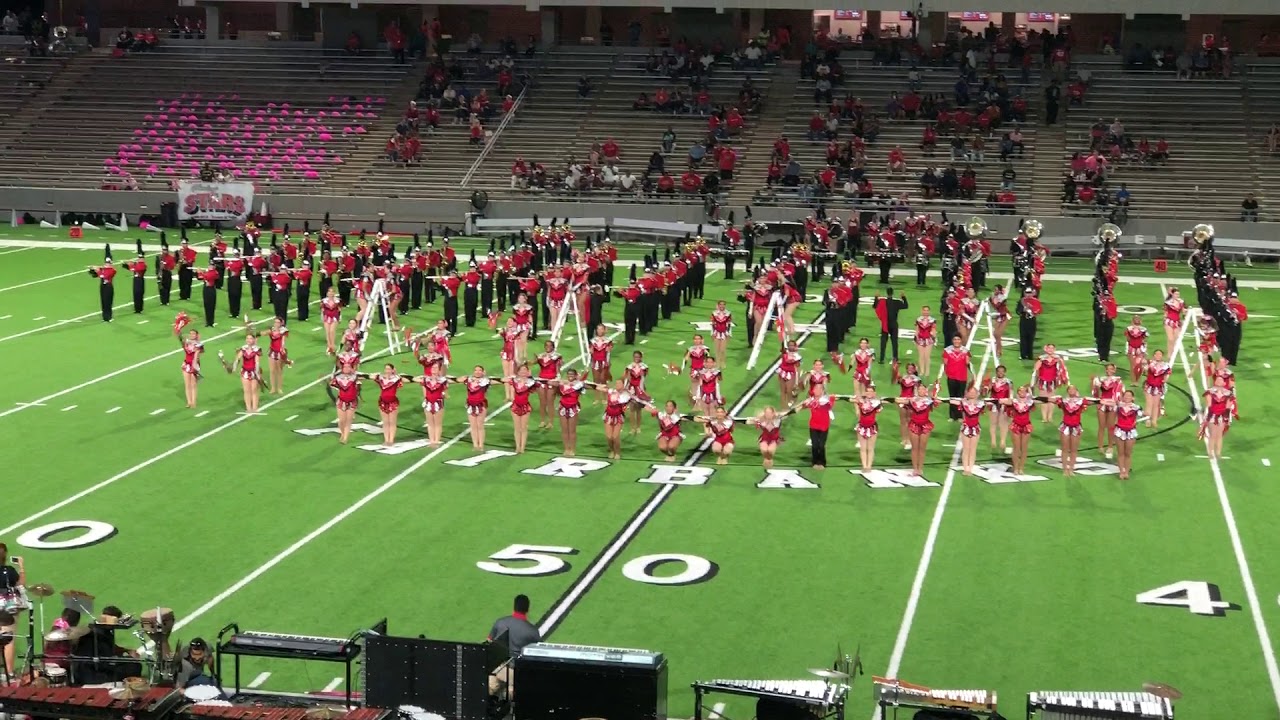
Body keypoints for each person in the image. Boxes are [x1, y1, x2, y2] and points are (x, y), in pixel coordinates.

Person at [487, 594, 541, 700]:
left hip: (498, 668)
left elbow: (489, 642)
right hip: (515, 672)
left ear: (514, 606)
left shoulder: (500, 622)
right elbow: (536, 655)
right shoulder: (532, 631)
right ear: (528, 609)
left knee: (490, 686)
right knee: (512, 691)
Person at [0, 543, 24, 677]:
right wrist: (21, 567)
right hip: (7, 605)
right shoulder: (8, 570)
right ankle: (9, 672)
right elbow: (21, 584)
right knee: (8, 639)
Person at [872, 289, 908, 363]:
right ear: (892, 293)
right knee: (894, 342)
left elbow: (875, 306)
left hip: (885, 324)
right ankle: (895, 358)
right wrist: (903, 297)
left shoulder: (882, 301)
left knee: (883, 342)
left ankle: (882, 359)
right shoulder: (897, 302)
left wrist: (876, 297)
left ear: (887, 293)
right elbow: (906, 306)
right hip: (894, 324)